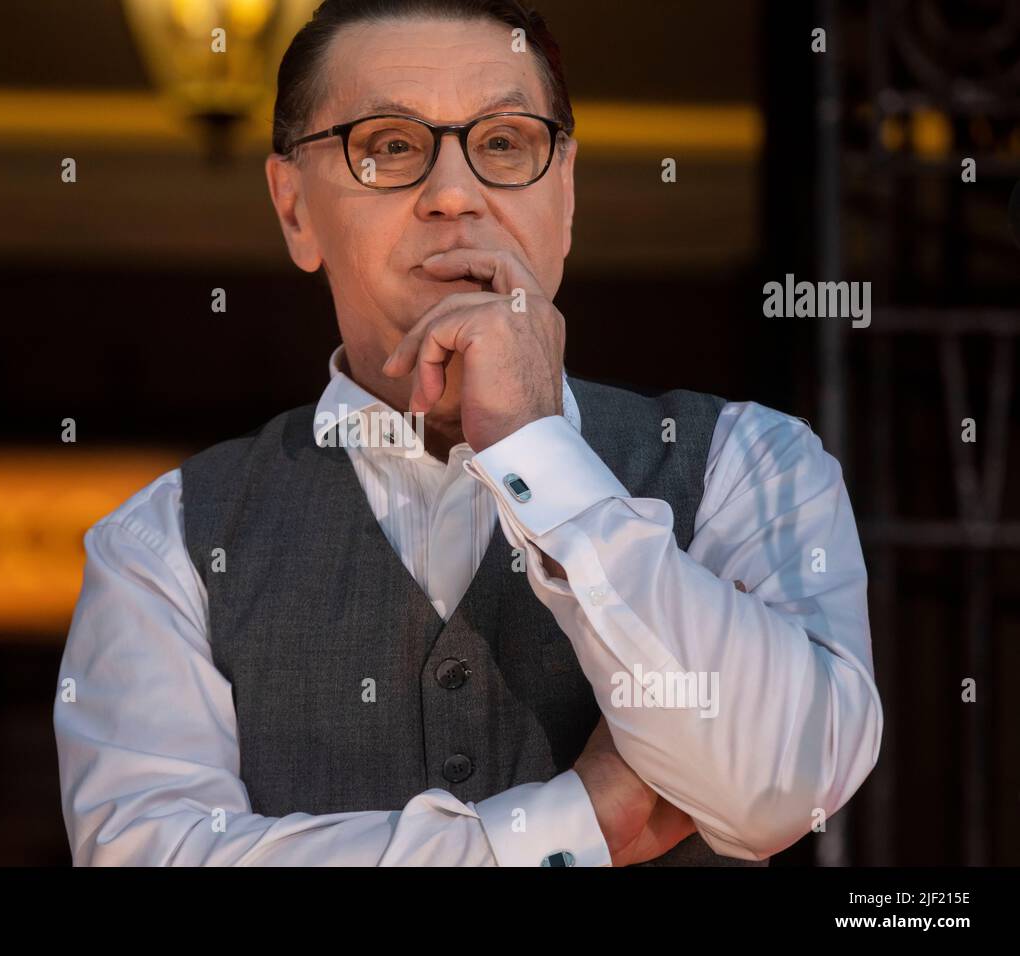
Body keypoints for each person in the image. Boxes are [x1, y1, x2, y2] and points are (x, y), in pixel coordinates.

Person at [53, 0, 882, 866]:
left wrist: (536, 451)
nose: (454, 195)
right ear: (294, 209)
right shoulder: (165, 542)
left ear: (564, 193)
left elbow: (781, 787)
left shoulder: (752, 467)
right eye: (391, 147)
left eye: (502, 144)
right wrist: (573, 826)